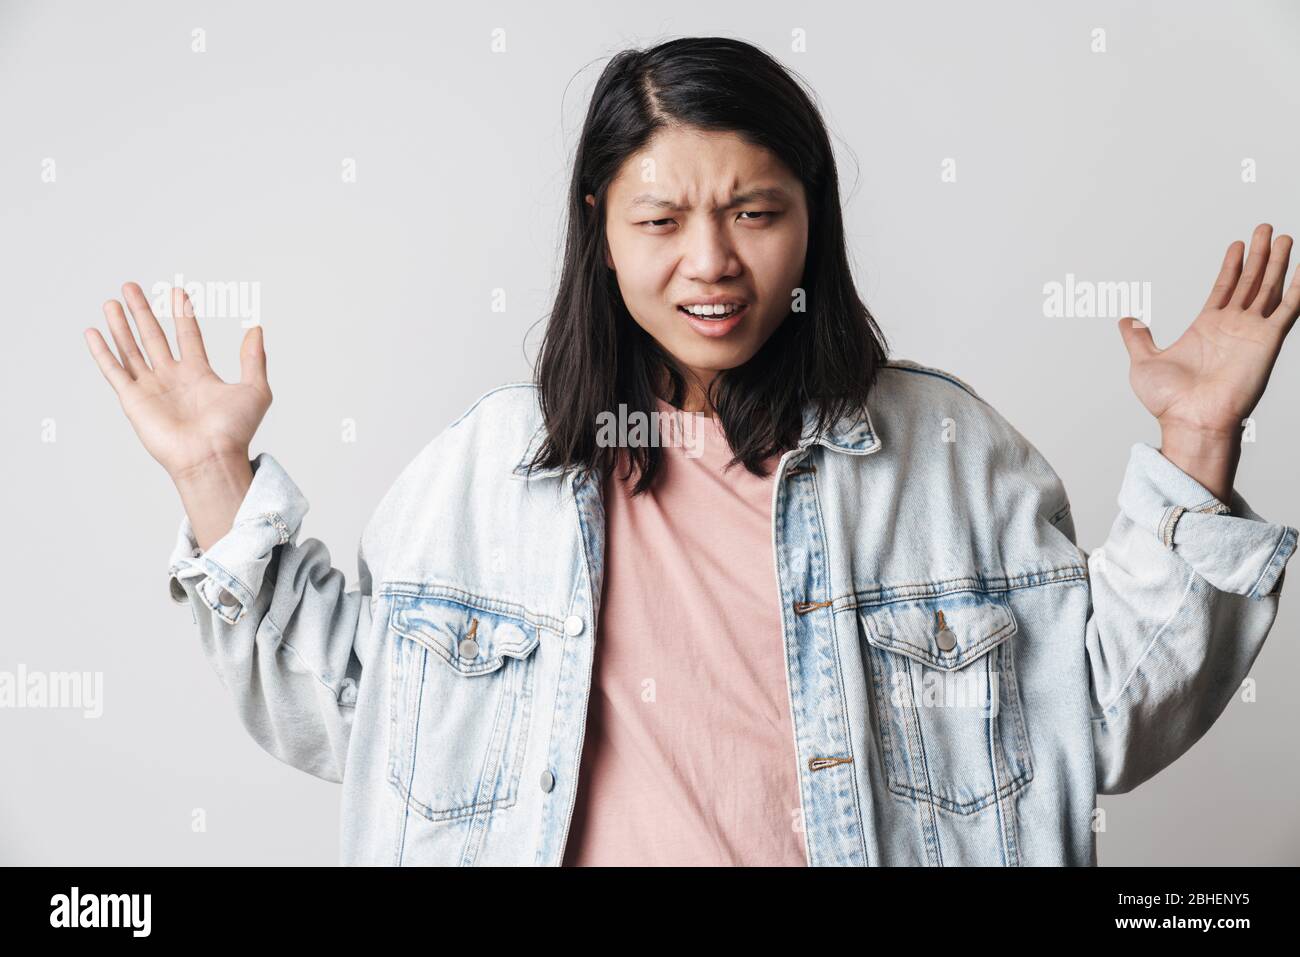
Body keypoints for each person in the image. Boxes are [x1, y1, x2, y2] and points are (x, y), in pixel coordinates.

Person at [84, 37, 1298, 867]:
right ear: (600, 237)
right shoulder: (486, 474)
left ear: (810, 220)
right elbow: (358, 723)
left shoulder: (946, 455)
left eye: (754, 213)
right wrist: (209, 477)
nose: (710, 262)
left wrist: (1197, 440)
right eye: (660, 220)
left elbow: (1100, 719)